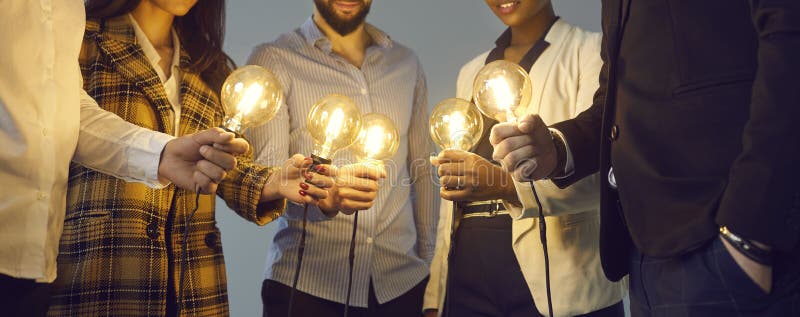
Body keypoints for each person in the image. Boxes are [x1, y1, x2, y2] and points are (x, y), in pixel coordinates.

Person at [491, 0, 800, 316]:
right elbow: (615, 99)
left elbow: (789, 39)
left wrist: (751, 230)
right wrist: (557, 147)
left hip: (731, 243)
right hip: (643, 255)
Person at [40, 1, 343, 316]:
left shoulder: (206, 67)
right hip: (103, 272)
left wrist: (274, 182)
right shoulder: (82, 42)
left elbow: (225, 165)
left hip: (193, 283)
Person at [0, 2, 249, 316]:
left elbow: (68, 111)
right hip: (98, 274)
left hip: (37, 261)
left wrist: (160, 154)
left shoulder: (206, 64)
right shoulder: (91, 38)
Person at [424, 1, 624, 316]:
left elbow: (602, 170)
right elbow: (451, 197)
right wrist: (436, 293)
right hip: (467, 269)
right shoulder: (472, 72)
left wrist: (503, 185)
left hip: (560, 275)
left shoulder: (591, 51)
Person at [246, 0, 438, 316]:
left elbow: (422, 174)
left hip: (403, 288)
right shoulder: (274, 60)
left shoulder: (406, 64)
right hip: (307, 290)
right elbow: (267, 180)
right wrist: (324, 200)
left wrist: (433, 282)